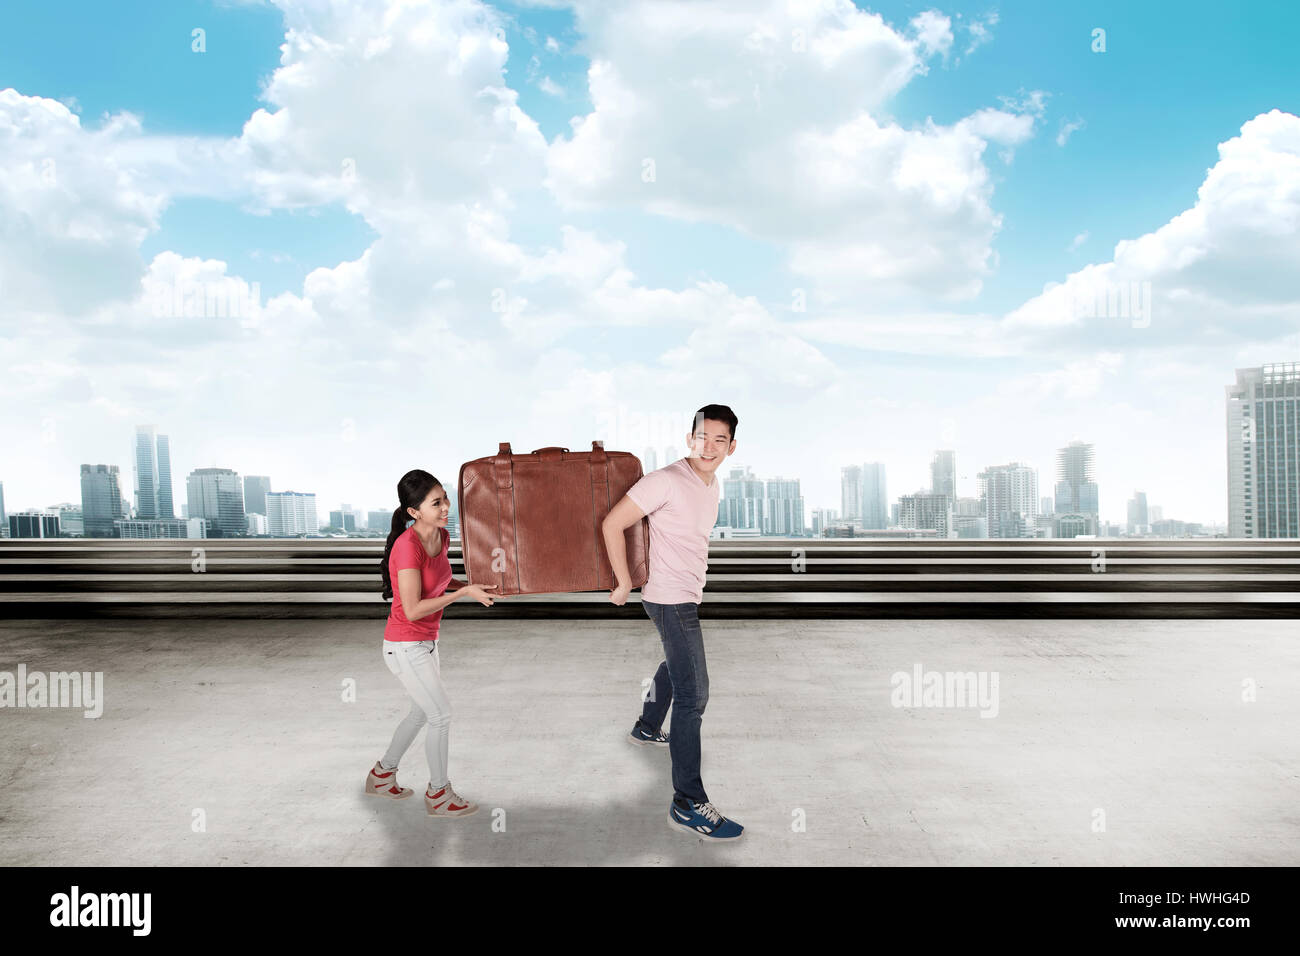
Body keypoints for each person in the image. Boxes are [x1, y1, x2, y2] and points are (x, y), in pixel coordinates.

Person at [602, 404, 744, 841]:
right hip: (668, 597)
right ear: (689, 439)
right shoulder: (664, 480)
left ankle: (647, 726)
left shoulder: (712, 483)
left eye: (719, 440)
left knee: (676, 663)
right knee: (694, 694)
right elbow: (612, 524)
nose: (709, 446)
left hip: (686, 594)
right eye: (702, 437)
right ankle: (687, 803)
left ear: (731, 447)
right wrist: (624, 580)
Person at [365, 469, 499, 817]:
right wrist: (463, 595)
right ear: (414, 512)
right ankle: (439, 795)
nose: (445, 508)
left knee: (422, 712)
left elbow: (440, 580)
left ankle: (382, 776)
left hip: (426, 642)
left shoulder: (441, 537)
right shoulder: (406, 548)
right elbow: (412, 609)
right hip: (405, 644)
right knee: (440, 715)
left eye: (445, 499)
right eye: (436, 503)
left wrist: (468, 584)